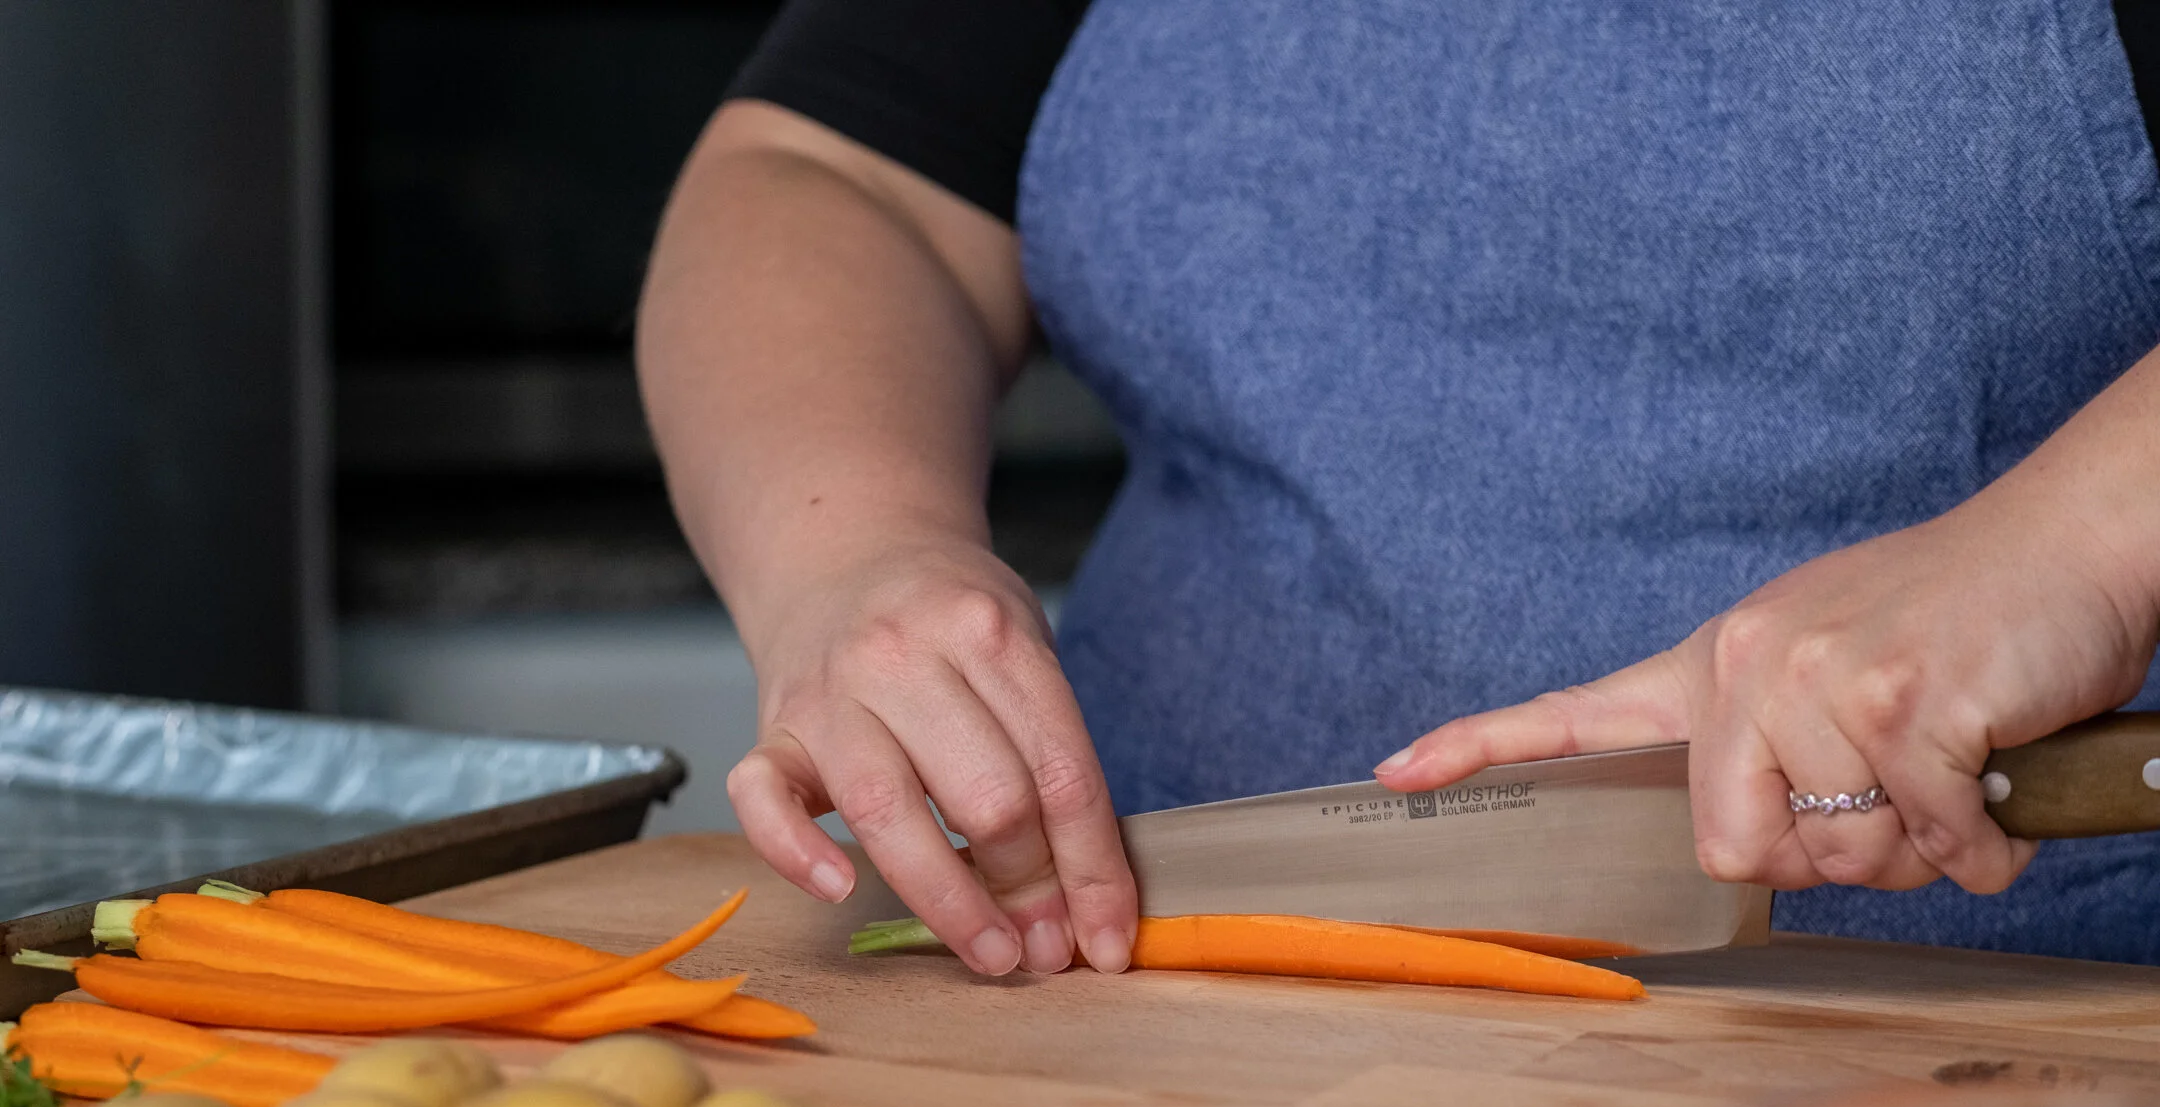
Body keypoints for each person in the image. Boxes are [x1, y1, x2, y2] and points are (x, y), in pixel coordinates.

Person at [638, 0, 2160, 976]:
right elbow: (835, 174)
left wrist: (2074, 541)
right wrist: (855, 555)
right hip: (1128, 1004)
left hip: (1988, 1067)